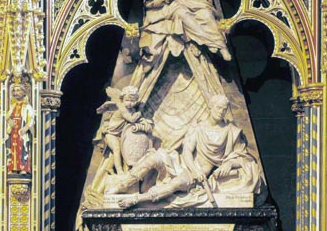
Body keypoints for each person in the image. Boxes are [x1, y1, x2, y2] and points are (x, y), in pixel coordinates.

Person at [114, 94, 261, 209]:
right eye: (218, 108)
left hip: (199, 173)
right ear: (211, 107)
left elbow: (244, 158)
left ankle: (136, 200)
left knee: (176, 184)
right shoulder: (198, 128)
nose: (221, 112)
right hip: (188, 165)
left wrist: (229, 164)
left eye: (224, 109)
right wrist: (194, 169)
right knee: (155, 156)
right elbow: (187, 152)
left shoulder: (232, 131)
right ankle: (122, 186)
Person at [95, 85, 152, 175]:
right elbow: (132, 119)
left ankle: (109, 167)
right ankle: (119, 170)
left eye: (133, 101)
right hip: (110, 133)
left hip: (119, 134)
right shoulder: (122, 108)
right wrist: (140, 110)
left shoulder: (132, 109)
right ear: (122, 99)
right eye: (127, 100)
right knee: (117, 149)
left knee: (120, 150)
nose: (130, 103)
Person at [7, 80, 34, 174]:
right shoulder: (12, 106)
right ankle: (12, 167)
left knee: (22, 148)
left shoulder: (27, 106)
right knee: (12, 148)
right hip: (13, 130)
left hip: (22, 130)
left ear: (24, 92)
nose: (16, 92)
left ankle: (24, 168)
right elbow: (7, 117)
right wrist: (9, 121)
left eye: (18, 90)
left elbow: (31, 119)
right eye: (14, 91)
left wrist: (25, 128)